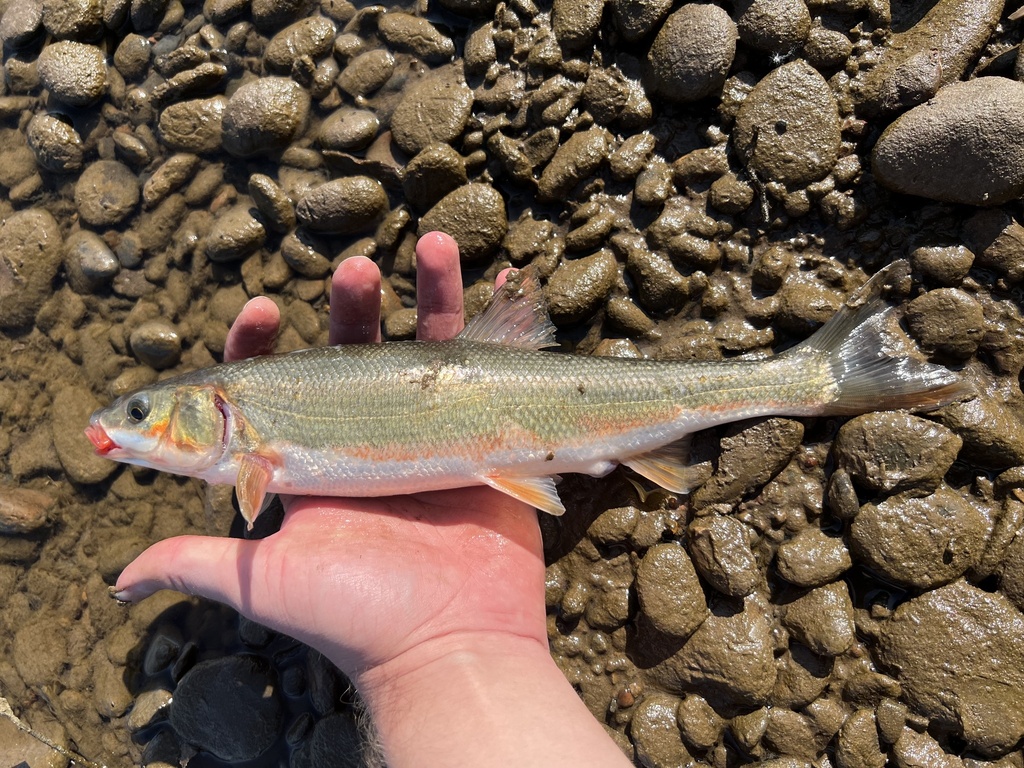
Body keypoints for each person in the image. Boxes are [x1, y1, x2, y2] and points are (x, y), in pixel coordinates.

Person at [115, 232, 632, 767]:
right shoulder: (244, 448)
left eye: (138, 414)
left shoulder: (251, 459)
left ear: (216, 409)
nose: (130, 427)